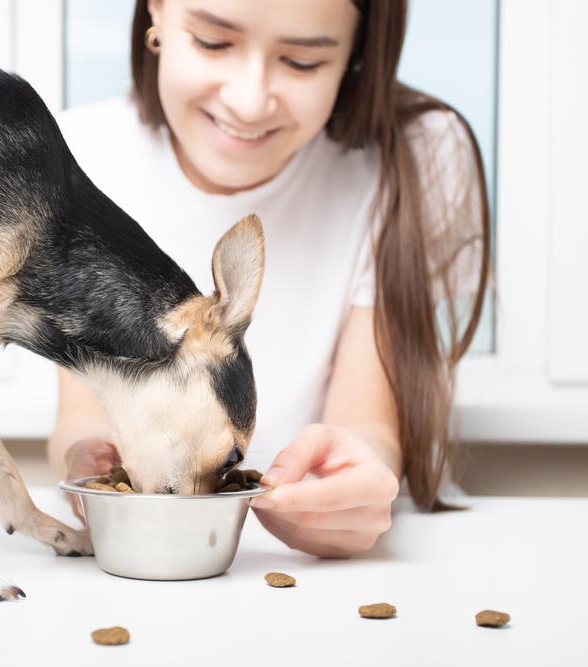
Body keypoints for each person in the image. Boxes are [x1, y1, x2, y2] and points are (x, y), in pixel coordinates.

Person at [46, 0, 491, 558]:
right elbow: (82, 420)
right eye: (213, 41)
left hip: (335, 579)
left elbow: (368, 425)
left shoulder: (415, 159)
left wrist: (362, 475)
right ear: (155, 10)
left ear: (357, 52)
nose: (249, 100)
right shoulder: (77, 156)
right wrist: (90, 462)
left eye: (302, 62)